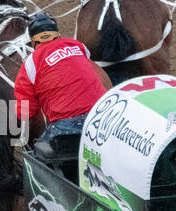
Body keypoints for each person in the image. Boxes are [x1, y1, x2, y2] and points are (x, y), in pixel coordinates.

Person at [13, 12, 110, 158]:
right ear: (57, 34)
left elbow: (25, 111)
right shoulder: (78, 46)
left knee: (36, 159)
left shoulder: (30, 64)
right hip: (104, 116)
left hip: (66, 127)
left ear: (33, 42)